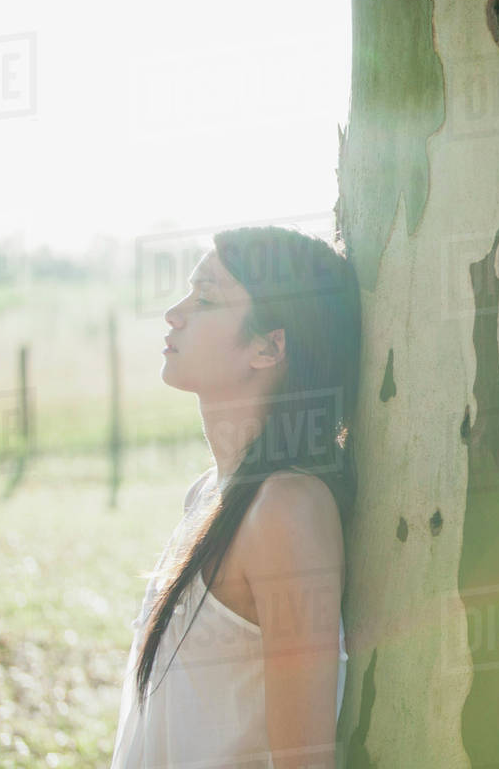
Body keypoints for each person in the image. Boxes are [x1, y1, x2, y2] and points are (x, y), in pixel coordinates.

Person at [110, 226, 361, 768]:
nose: (174, 313)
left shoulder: (287, 510)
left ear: (269, 347)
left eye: (205, 299)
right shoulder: (207, 494)